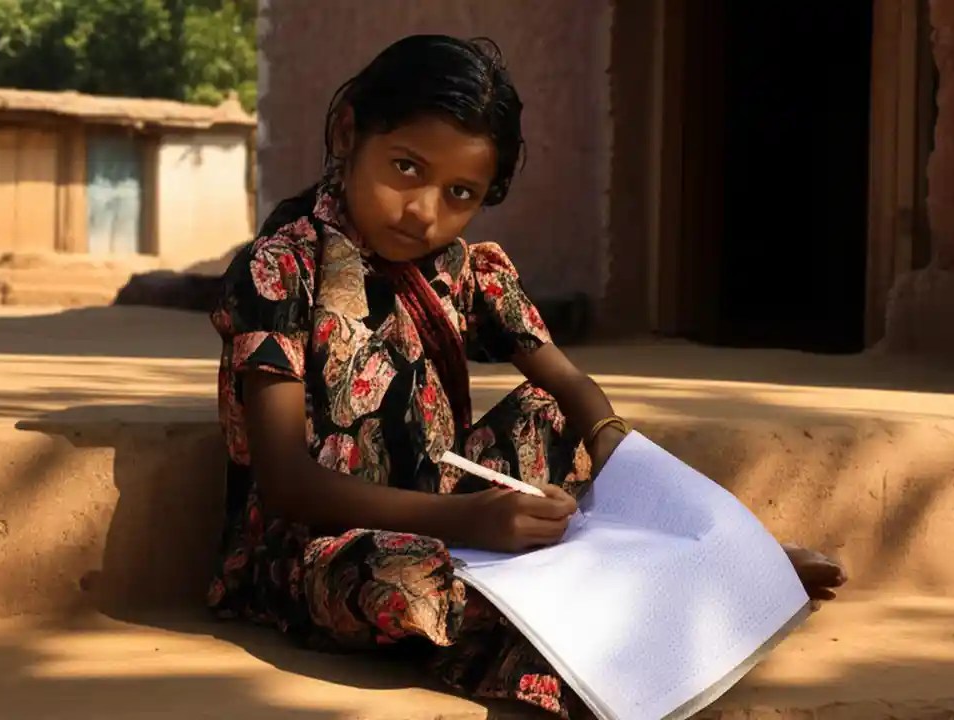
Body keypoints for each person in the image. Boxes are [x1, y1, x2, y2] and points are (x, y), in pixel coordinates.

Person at [208, 34, 846, 718]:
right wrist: (470, 520)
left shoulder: (466, 269)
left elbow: (570, 388)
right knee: (410, 585)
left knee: (548, 412)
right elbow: (286, 482)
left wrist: (632, 471)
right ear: (347, 132)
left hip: (454, 514)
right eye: (405, 167)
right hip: (319, 544)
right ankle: (654, 590)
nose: (425, 210)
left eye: (459, 192)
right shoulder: (281, 270)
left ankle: (704, 560)